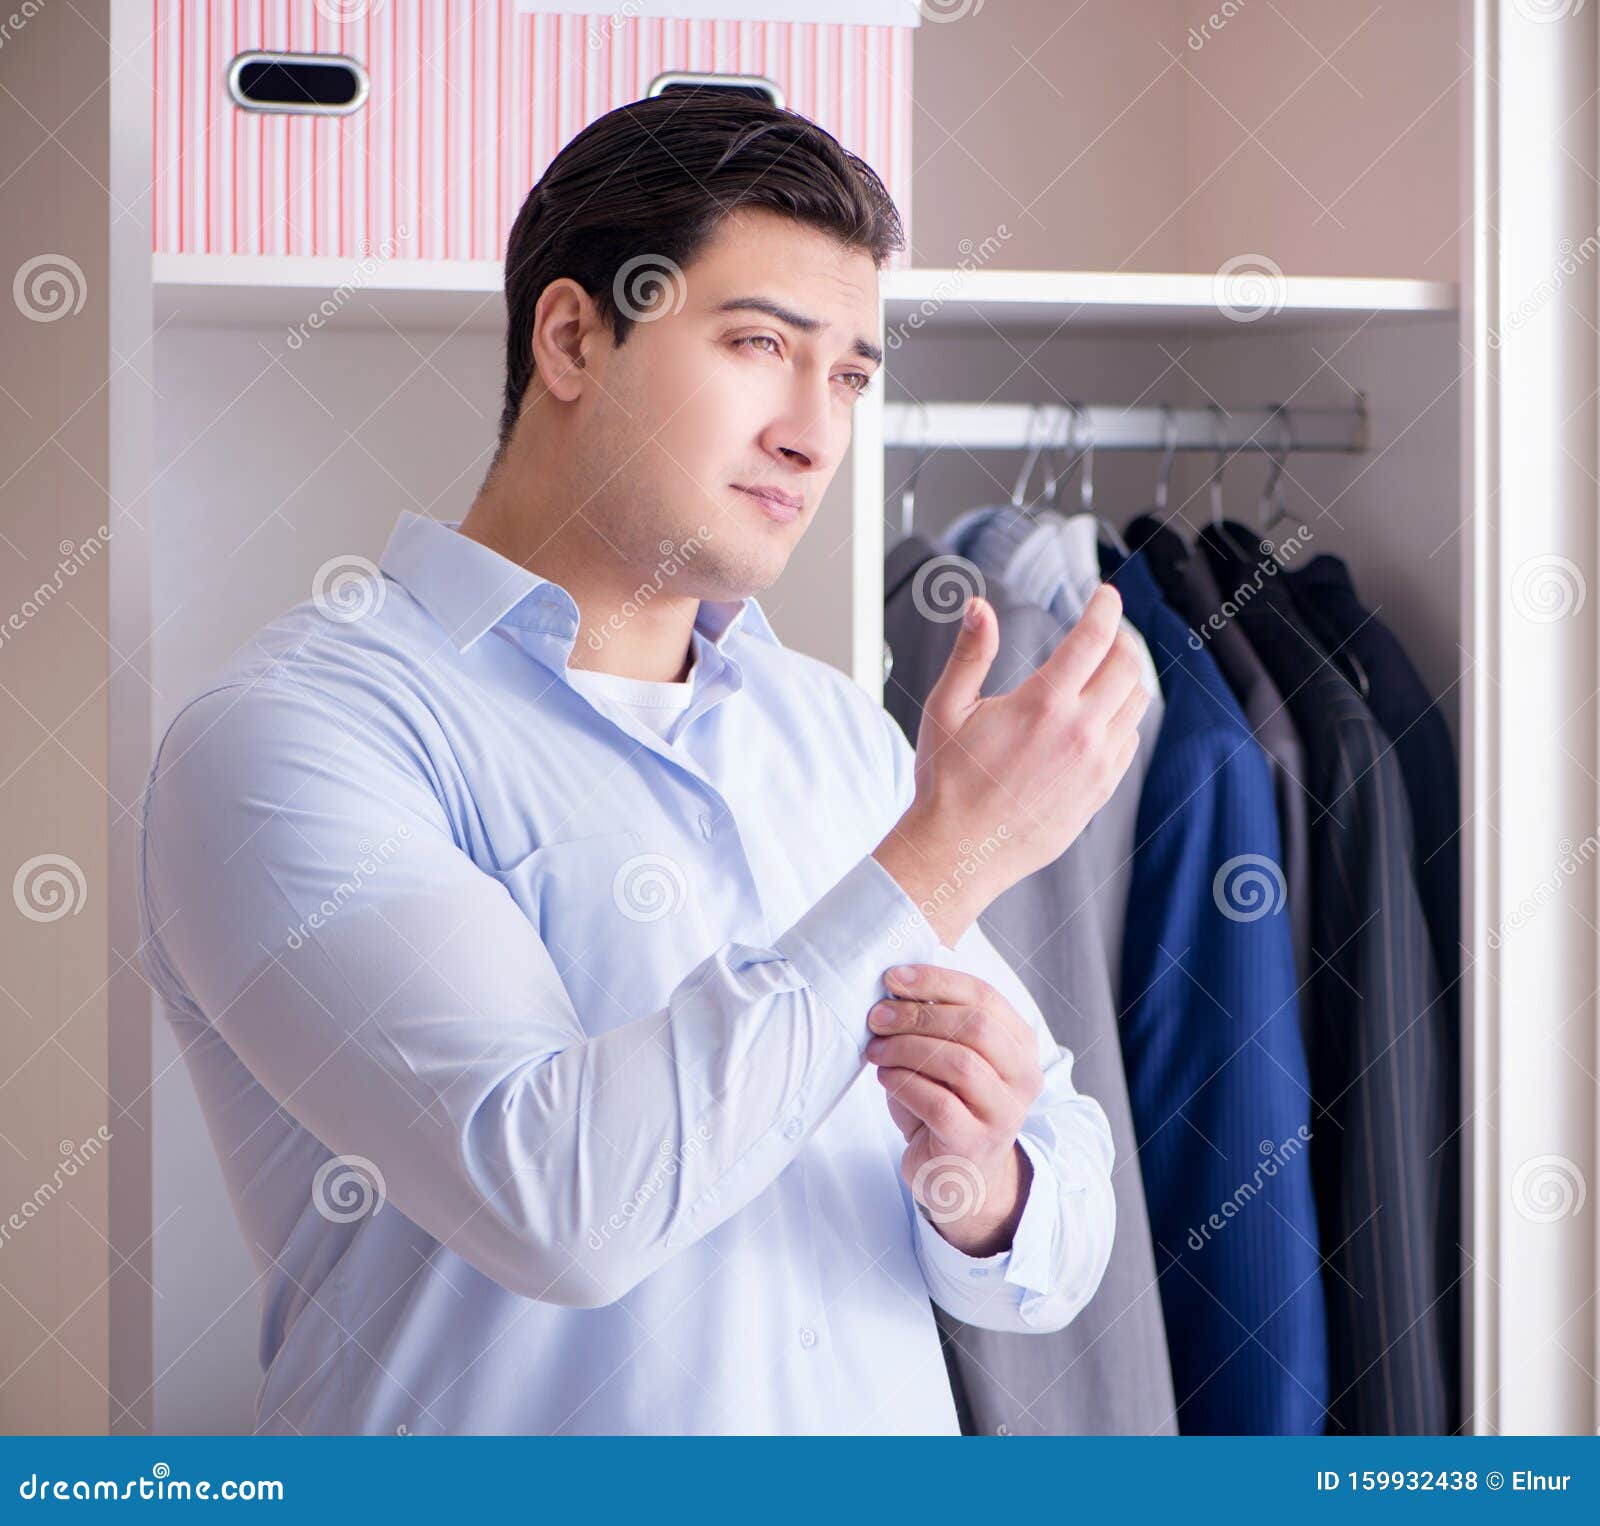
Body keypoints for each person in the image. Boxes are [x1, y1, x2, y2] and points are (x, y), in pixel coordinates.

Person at [135, 92, 1149, 1436]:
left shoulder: (838, 735)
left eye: (848, 374)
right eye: (758, 346)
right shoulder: (289, 739)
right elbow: (561, 1210)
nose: (815, 430)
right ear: (572, 338)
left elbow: (1063, 1218)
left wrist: (986, 1179)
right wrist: (942, 860)